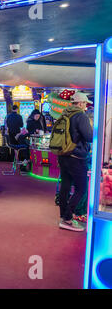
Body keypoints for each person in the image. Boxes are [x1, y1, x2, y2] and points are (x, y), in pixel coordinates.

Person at [57, 92, 93, 232]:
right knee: (81, 188)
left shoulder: (64, 114)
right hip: (76, 157)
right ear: (80, 103)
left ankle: (63, 215)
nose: (85, 106)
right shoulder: (81, 116)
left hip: (63, 155)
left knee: (65, 185)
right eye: (84, 103)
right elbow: (89, 137)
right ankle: (67, 218)